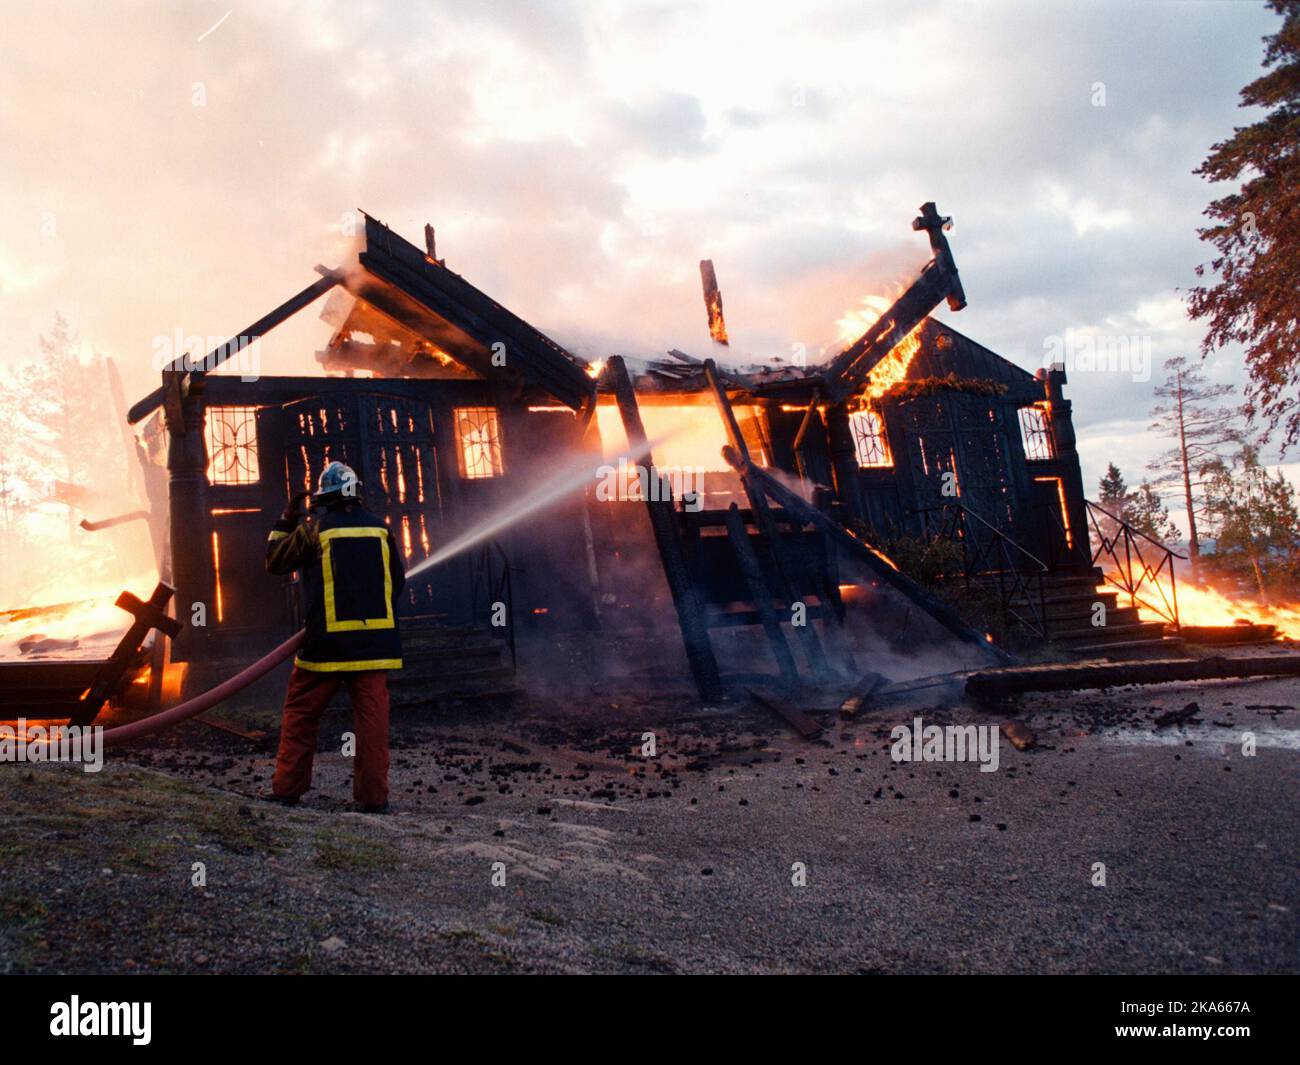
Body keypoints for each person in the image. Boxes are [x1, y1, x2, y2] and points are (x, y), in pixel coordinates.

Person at [264, 461, 405, 812]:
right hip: (374, 646)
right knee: (372, 723)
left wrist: (285, 521)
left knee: (301, 713)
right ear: (356, 495)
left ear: (324, 498)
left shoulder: (315, 529)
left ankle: (287, 790)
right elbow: (397, 583)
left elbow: (275, 562)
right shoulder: (381, 529)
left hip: (325, 645)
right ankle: (373, 800)